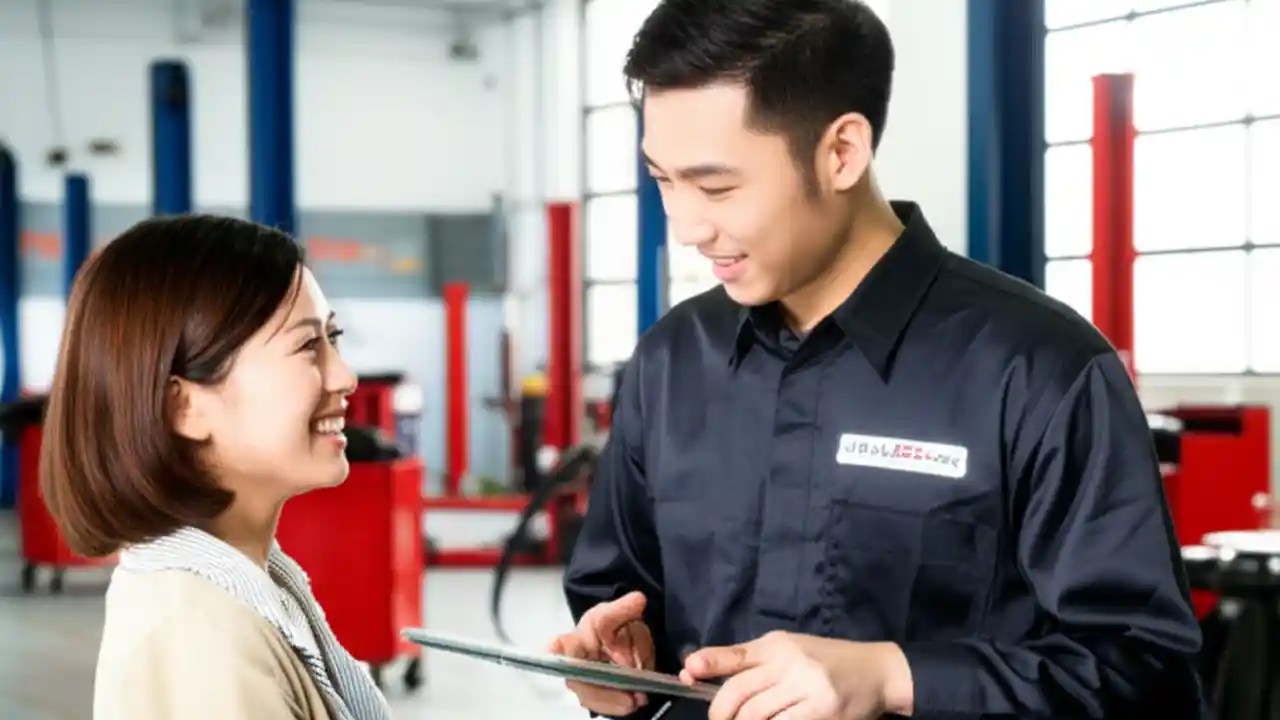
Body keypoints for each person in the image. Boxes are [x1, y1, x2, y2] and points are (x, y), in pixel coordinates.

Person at [550, 1, 1205, 718]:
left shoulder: (1039, 371)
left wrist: (894, 676)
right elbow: (620, 594)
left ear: (842, 152)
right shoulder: (671, 362)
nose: (686, 226)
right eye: (662, 180)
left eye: (716, 187)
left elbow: (1145, 676)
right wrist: (626, 664)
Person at [40, 215, 392, 720]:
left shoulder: (241, 592)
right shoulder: (202, 636)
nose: (345, 376)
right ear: (184, 406)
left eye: (333, 338)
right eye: (307, 346)